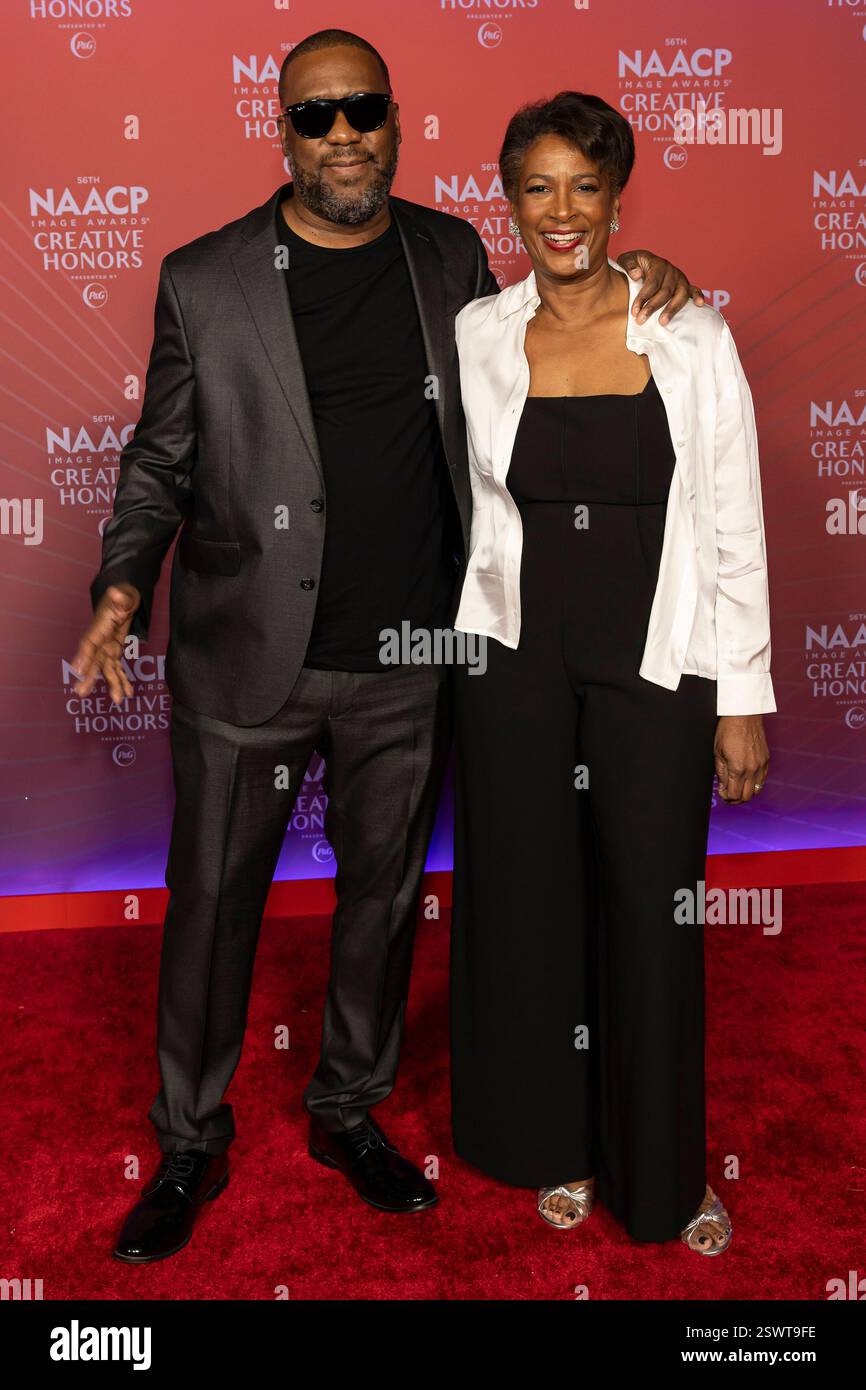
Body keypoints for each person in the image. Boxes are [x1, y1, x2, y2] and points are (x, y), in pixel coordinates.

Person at [71, 33, 700, 1263]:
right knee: (210, 910)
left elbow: (552, 316)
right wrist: (117, 587)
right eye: (317, 117)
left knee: (380, 903)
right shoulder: (204, 281)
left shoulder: (447, 253)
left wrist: (641, 273)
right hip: (246, 657)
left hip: (412, 661)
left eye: (363, 111)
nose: (343, 134)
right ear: (284, 132)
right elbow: (161, 460)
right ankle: (189, 1137)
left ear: (395, 123)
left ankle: (346, 1108)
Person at [450, 91, 774, 1252]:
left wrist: (740, 697)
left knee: (650, 906)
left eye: (583, 186)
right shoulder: (478, 331)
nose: (561, 211)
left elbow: (732, 521)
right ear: (508, 199)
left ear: (616, 198)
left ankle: (666, 1170)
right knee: (535, 904)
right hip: (516, 659)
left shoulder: (691, 334)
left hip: (657, 663)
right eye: (536, 187)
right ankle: (558, 1146)